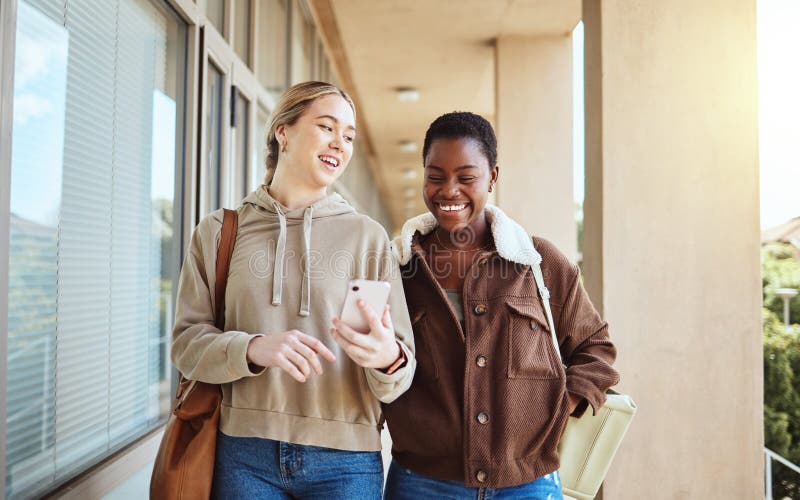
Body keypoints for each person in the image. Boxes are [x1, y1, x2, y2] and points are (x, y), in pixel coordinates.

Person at [171, 81, 415, 499]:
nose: (340, 143)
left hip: (346, 461)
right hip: (244, 452)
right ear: (283, 131)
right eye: (326, 127)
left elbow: (401, 365)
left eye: (349, 136)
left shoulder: (366, 237)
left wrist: (386, 357)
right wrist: (252, 349)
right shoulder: (220, 232)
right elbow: (186, 344)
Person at [382, 112, 619, 499]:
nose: (449, 190)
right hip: (422, 483)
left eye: (466, 177)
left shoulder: (539, 263)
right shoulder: (400, 269)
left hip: (527, 485)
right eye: (436, 175)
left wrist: (560, 409)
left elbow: (596, 350)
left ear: (492, 176)